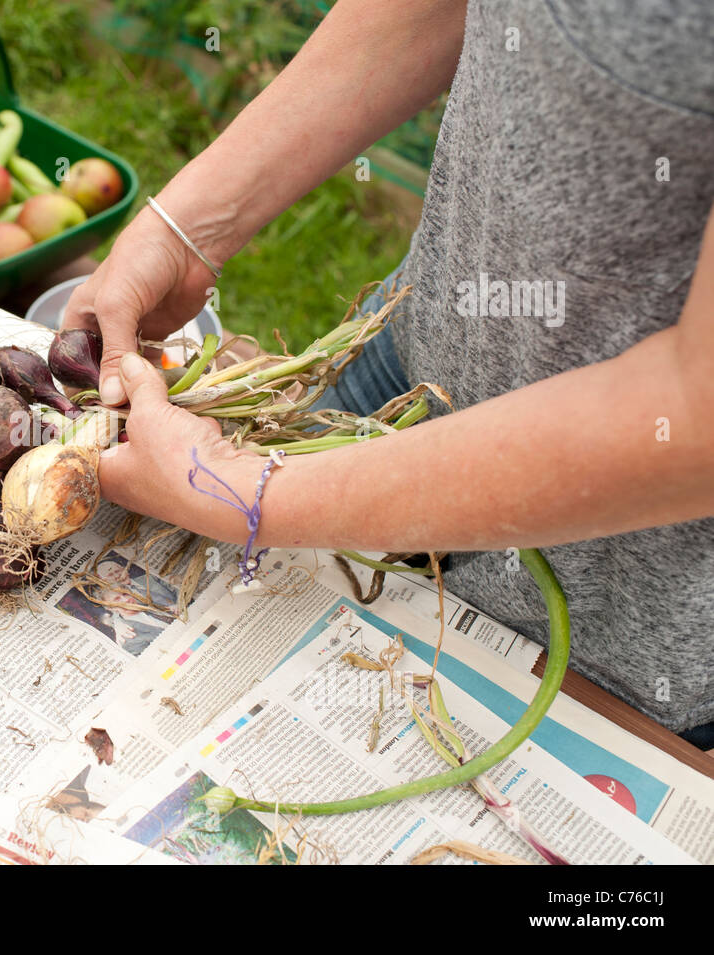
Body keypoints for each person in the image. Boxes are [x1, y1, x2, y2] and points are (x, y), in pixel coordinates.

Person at [63, 0, 714, 747]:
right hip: (411, 367)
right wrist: (185, 229)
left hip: (635, 586)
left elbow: (699, 411)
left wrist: (247, 494)